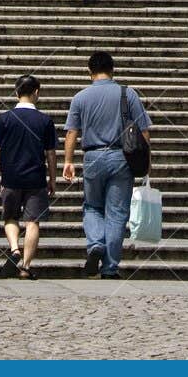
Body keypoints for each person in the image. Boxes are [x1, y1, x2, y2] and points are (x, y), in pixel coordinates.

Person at [63, 51, 151, 280]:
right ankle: (110, 267)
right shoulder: (127, 93)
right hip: (122, 158)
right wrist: (145, 161)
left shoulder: (80, 97)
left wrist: (68, 161)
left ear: (89, 71)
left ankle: (95, 244)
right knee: (117, 212)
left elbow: (72, 131)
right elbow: (143, 131)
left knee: (92, 207)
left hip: (92, 156)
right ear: (113, 69)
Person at [0, 75, 57, 280]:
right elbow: (51, 153)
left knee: (10, 217)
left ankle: (14, 249)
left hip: (10, 176)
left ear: (17, 93)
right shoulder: (45, 120)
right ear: (36, 92)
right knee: (33, 222)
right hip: (35, 177)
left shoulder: (5, 118)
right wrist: (52, 179)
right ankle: (25, 267)